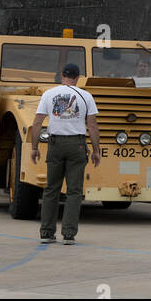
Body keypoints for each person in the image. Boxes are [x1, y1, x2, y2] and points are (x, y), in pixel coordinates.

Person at [30, 63, 100, 244]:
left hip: (55, 144)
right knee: (74, 191)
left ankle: (46, 232)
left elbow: (37, 123)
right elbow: (92, 126)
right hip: (76, 145)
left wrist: (34, 147)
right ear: (78, 77)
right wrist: (96, 150)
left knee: (51, 189)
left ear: (62, 75)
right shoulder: (86, 96)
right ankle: (69, 234)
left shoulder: (48, 94)